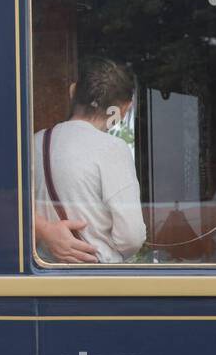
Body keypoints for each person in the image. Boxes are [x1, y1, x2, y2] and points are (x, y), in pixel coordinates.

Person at [33, 56, 146, 263]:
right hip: (96, 277)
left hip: (45, 273)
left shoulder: (35, 142)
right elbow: (131, 236)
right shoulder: (113, 149)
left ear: (72, 91)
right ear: (124, 109)